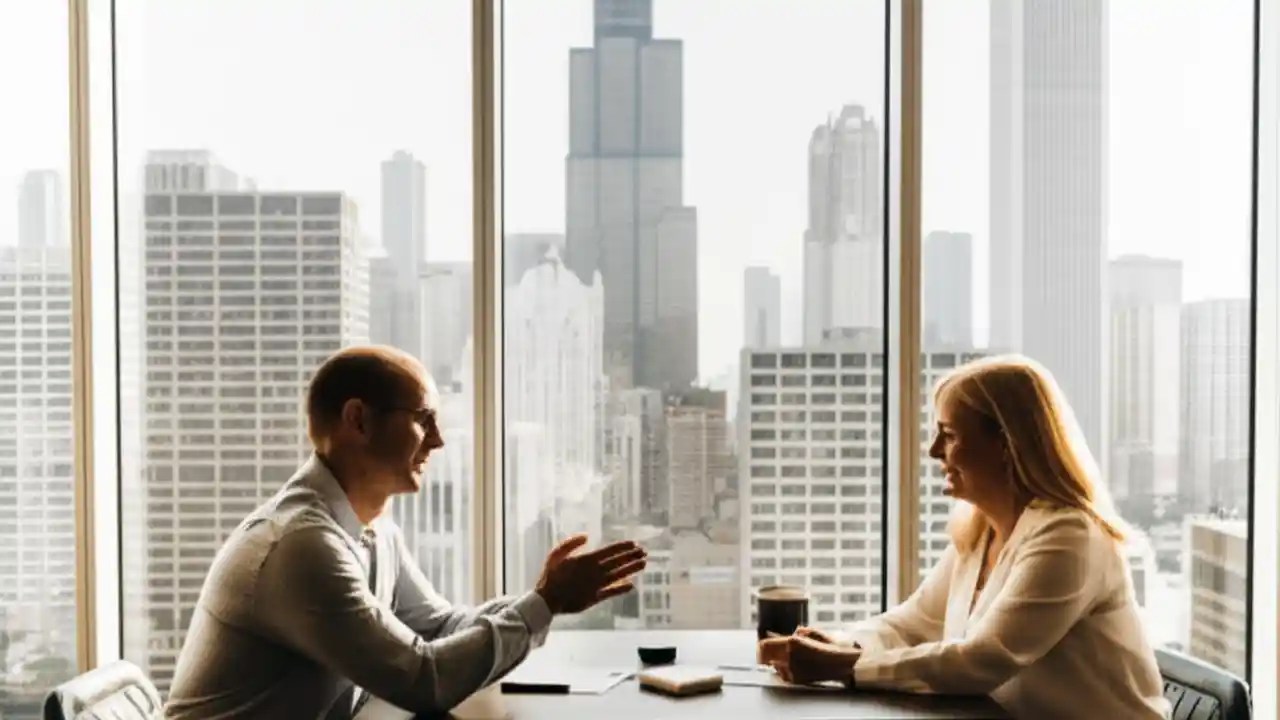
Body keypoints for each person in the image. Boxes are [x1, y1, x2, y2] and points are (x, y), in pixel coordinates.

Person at [165, 345, 647, 719]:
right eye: (423, 419)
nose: (437, 440)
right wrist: (545, 603)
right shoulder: (302, 547)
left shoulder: (372, 531)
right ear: (358, 420)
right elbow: (423, 678)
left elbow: (439, 629)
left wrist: (544, 597)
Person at [757, 355, 1169, 719]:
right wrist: (840, 642)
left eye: (949, 435)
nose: (934, 450)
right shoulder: (983, 529)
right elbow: (916, 623)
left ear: (1007, 444)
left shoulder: (1070, 538)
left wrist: (843, 667)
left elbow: (984, 659)